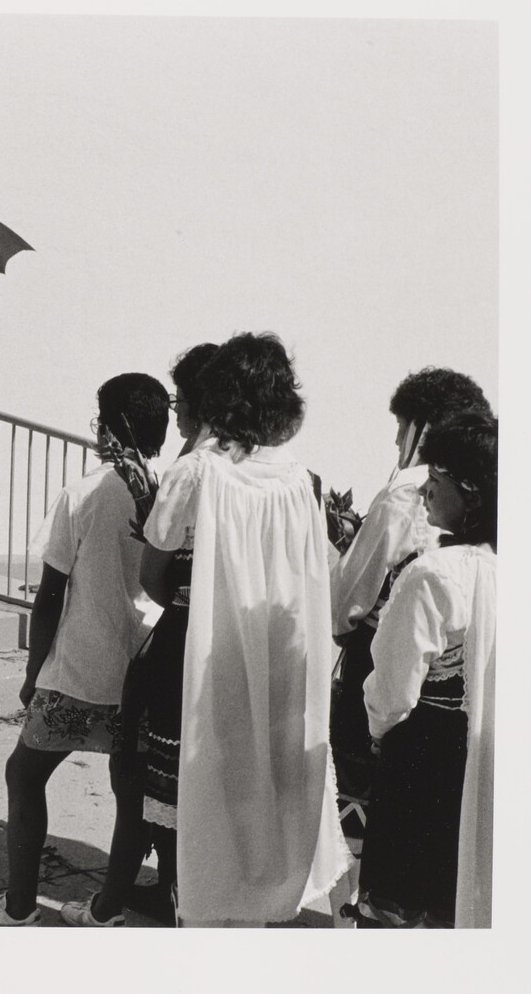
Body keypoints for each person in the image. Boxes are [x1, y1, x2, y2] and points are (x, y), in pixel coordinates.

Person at [138, 332, 350, 927]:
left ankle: (202, 911)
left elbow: (153, 573)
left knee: (195, 793)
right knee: (266, 788)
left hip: (199, 651)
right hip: (280, 653)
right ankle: (259, 907)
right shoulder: (301, 479)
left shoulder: (196, 473)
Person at [0, 373, 168, 926]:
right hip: (143, 669)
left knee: (24, 775)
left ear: (115, 428)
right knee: (131, 794)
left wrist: (32, 669)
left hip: (78, 669)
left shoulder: (84, 493)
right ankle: (106, 908)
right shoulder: (170, 494)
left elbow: (49, 594)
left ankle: (18, 908)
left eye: (100, 421)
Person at [59, 343, 218, 928]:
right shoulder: (254, 468)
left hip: (181, 631)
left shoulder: (192, 469)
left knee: (152, 774)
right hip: (226, 638)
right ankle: (174, 886)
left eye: (181, 399)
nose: (176, 412)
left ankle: (131, 898)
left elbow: (155, 571)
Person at [347, 413, 496, 928]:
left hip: (421, 760)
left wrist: (377, 731)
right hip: (484, 760)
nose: (425, 491)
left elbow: (391, 692)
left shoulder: (432, 573)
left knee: (397, 905)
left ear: (471, 494)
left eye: (436, 482)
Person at [328, 368, 491, 835]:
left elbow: (351, 596)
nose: (397, 438)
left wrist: (347, 623)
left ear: (422, 427)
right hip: (464, 679)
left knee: (357, 805)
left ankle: (357, 906)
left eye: (402, 425)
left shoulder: (406, 492)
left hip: (390, 662)